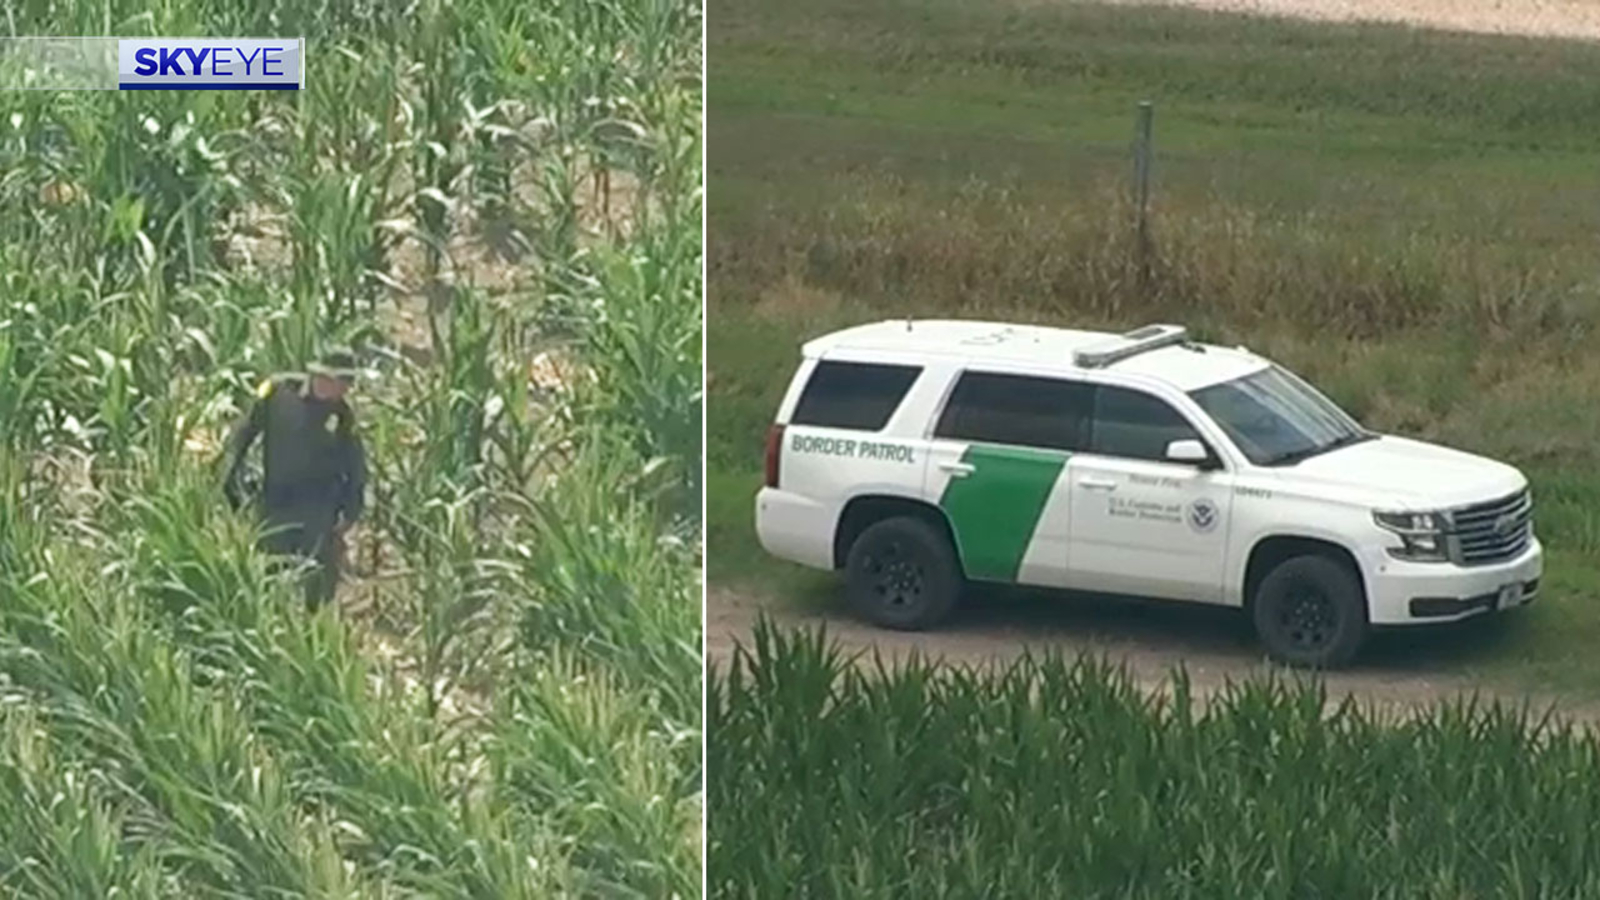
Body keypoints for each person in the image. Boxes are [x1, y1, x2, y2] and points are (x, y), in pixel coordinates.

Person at [223, 349, 367, 609]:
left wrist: (351, 511)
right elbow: (244, 433)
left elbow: (355, 466)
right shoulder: (278, 393)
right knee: (268, 572)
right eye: (335, 382)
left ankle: (313, 633)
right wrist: (232, 473)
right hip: (276, 500)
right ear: (319, 374)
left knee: (319, 582)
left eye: (344, 385)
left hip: (319, 508)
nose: (339, 390)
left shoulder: (343, 416)